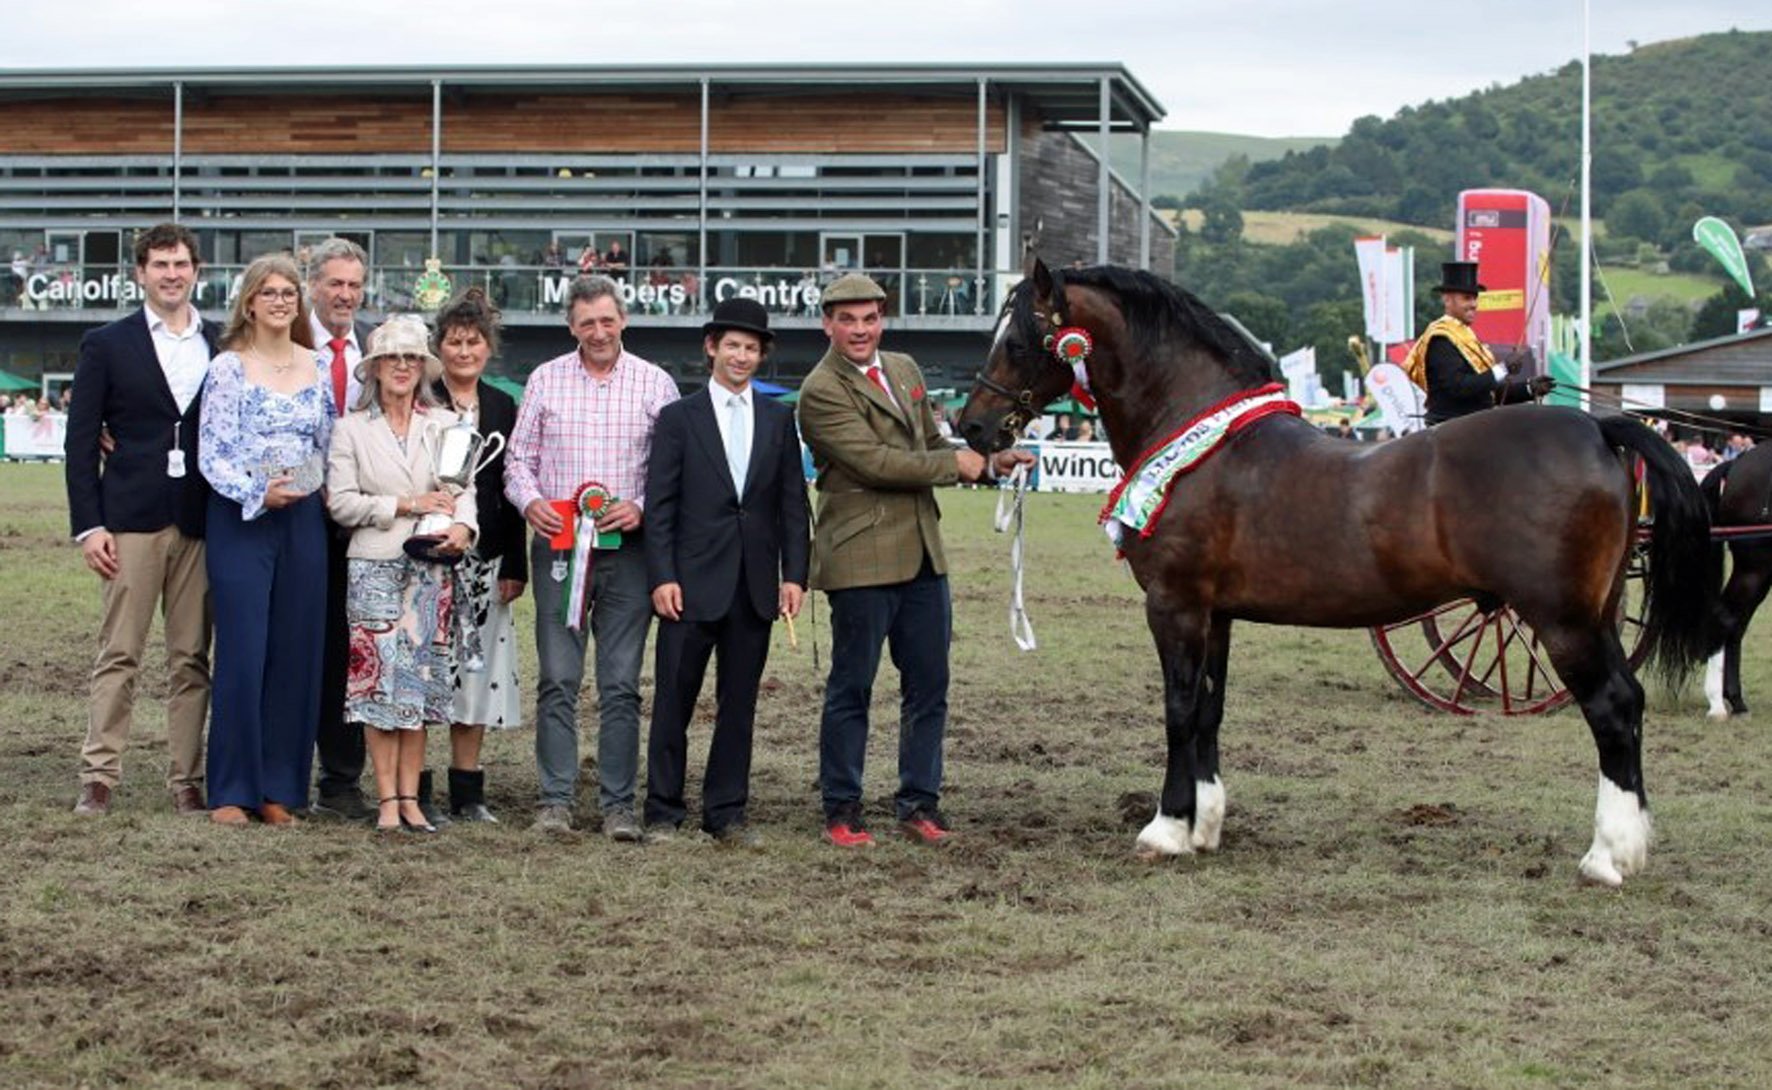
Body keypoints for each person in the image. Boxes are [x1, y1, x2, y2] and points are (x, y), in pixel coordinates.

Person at [796, 273, 1030, 847]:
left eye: (869, 318)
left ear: (882, 319)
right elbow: (875, 462)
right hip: (860, 559)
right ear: (827, 324)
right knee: (853, 688)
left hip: (925, 554)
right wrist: (958, 467)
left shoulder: (904, 368)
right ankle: (841, 811)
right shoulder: (820, 390)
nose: (859, 330)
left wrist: (989, 460)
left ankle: (919, 803)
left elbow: (928, 445)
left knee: (930, 686)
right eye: (847, 319)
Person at [505, 275, 679, 839]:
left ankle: (618, 806)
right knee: (557, 677)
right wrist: (530, 502)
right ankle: (554, 801)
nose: (598, 332)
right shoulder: (545, 380)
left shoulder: (655, 384)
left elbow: (674, 471)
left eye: (607, 320)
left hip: (630, 555)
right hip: (559, 550)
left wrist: (643, 507)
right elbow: (517, 460)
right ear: (571, 326)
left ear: (623, 319)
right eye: (587, 323)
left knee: (621, 683)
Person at [642, 298, 810, 845]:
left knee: (740, 706)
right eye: (732, 345)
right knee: (673, 703)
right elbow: (660, 504)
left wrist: (795, 575)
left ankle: (727, 812)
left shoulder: (780, 419)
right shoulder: (677, 418)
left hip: (755, 588)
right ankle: (663, 811)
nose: (741, 356)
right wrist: (662, 576)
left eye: (752, 348)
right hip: (688, 587)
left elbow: (791, 502)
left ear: (762, 356)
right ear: (712, 347)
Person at [64, 222, 218, 817]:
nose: (171, 274)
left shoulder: (222, 344)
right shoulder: (106, 343)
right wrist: (89, 525)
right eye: (160, 265)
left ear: (195, 270)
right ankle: (99, 774)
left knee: (191, 658)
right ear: (140, 273)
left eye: (180, 264)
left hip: (199, 521)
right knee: (119, 652)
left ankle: (188, 779)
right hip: (128, 519)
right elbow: (80, 444)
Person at [198, 252, 332, 826]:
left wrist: (297, 489)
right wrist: (259, 493)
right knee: (244, 652)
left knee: (295, 655)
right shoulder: (228, 367)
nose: (281, 301)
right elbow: (212, 451)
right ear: (249, 302)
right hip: (241, 518)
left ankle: (280, 788)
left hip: (301, 518)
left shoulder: (317, 364)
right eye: (270, 292)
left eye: (290, 293)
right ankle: (232, 788)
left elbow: (326, 446)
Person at [328, 315, 477, 834]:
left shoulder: (444, 425)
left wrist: (463, 528)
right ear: (374, 367)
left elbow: (464, 491)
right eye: (393, 357)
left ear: (422, 367)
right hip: (371, 567)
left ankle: (412, 797)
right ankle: (387, 799)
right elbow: (342, 503)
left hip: (431, 570)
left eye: (411, 358)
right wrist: (405, 504)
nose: (402, 367)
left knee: (419, 686)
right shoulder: (350, 430)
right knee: (375, 687)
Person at [429, 288, 526, 823]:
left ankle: (468, 792)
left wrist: (516, 563)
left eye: (474, 342)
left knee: (475, 672)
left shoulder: (504, 404)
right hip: (426, 557)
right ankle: (415, 790)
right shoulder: (420, 396)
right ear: (439, 346)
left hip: (487, 560)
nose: (464, 351)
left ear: (488, 347)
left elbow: (513, 490)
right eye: (454, 341)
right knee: (426, 670)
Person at [306, 237, 379, 821]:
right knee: (293, 648)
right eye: (335, 283)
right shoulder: (278, 339)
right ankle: (278, 770)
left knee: (351, 652)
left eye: (354, 285)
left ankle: (341, 778)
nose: (346, 295)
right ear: (313, 285)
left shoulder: (378, 350)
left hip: (359, 527)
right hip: (294, 517)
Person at [1407, 261, 1553, 425]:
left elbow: (1486, 393)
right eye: (1467, 298)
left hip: (1475, 425)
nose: (1474, 304)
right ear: (1447, 300)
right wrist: (1503, 368)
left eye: (1475, 298)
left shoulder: (1466, 336)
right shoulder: (1440, 339)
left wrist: (1529, 388)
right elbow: (1460, 388)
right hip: (1450, 428)